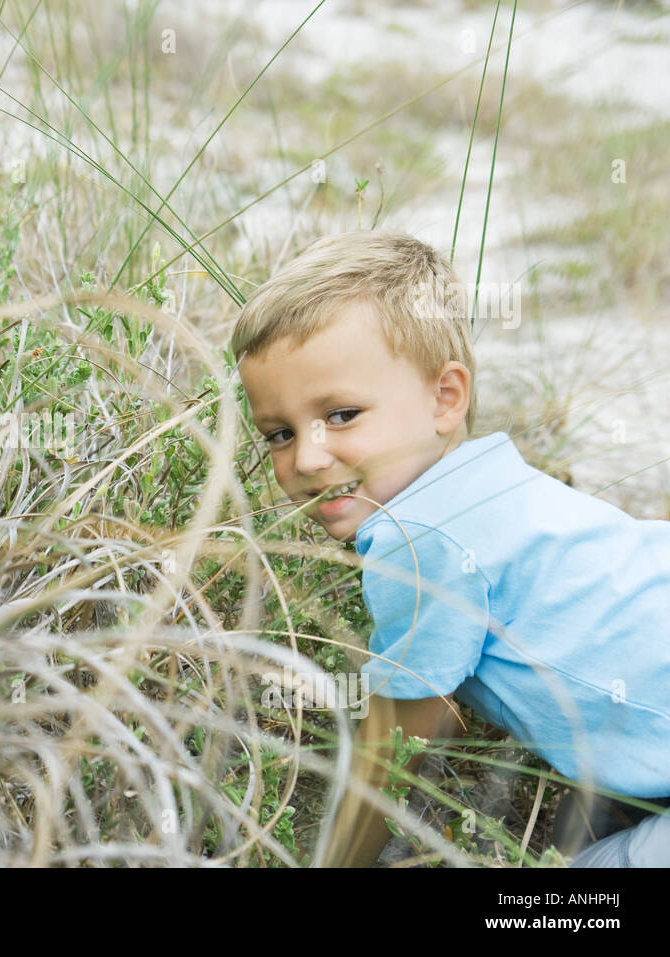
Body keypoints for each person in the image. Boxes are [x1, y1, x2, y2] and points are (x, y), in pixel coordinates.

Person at [229, 230, 670, 866]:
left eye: (343, 414)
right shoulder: (490, 482)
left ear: (445, 398)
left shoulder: (424, 541)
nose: (307, 457)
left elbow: (392, 754)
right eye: (278, 433)